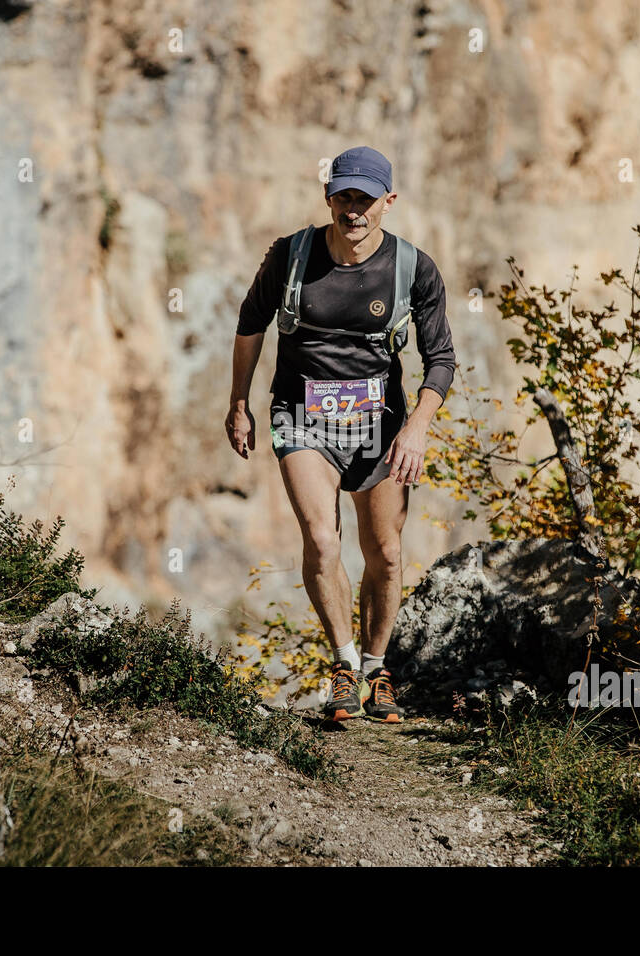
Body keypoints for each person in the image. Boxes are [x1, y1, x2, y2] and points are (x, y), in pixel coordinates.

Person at [225, 146, 457, 723]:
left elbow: (442, 360)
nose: (354, 211)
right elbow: (251, 324)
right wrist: (239, 403)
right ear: (329, 198)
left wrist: (416, 429)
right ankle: (344, 667)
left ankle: (379, 669)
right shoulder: (291, 256)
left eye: (366, 199)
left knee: (385, 551)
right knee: (323, 541)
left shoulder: (413, 268)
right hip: (300, 415)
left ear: (389, 202)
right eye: (344, 197)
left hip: (380, 425)